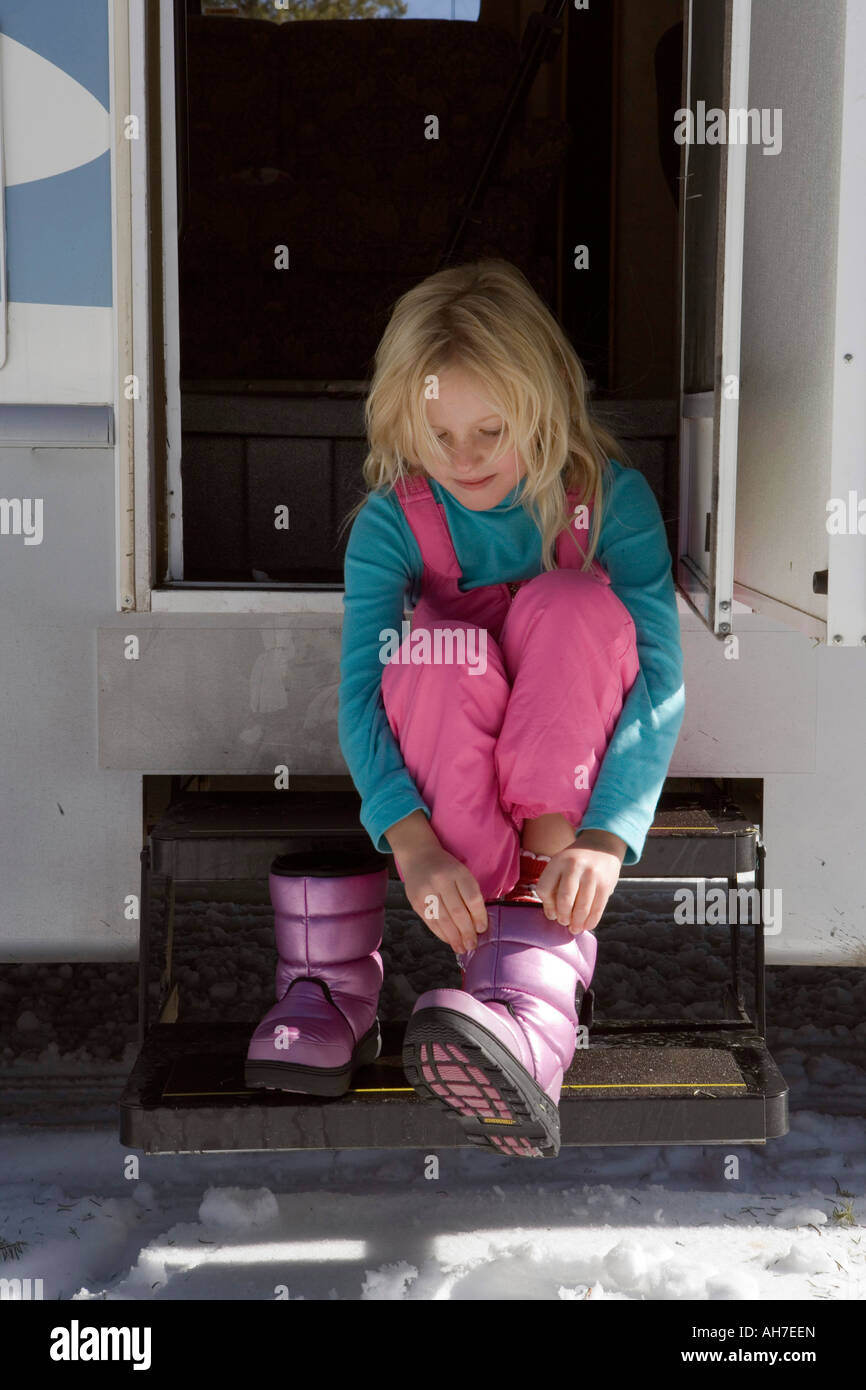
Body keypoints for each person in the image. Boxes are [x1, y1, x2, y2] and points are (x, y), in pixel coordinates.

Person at [332, 258, 686, 1157]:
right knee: (432, 654)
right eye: (436, 433)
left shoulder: (605, 499)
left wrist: (608, 835)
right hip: (463, 824)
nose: (462, 460)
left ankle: (539, 991)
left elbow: (656, 677)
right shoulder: (393, 522)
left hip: (559, 808)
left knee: (569, 602)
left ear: (547, 408)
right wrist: (411, 843)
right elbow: (362, 695)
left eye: (491, 431)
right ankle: (505, 982)